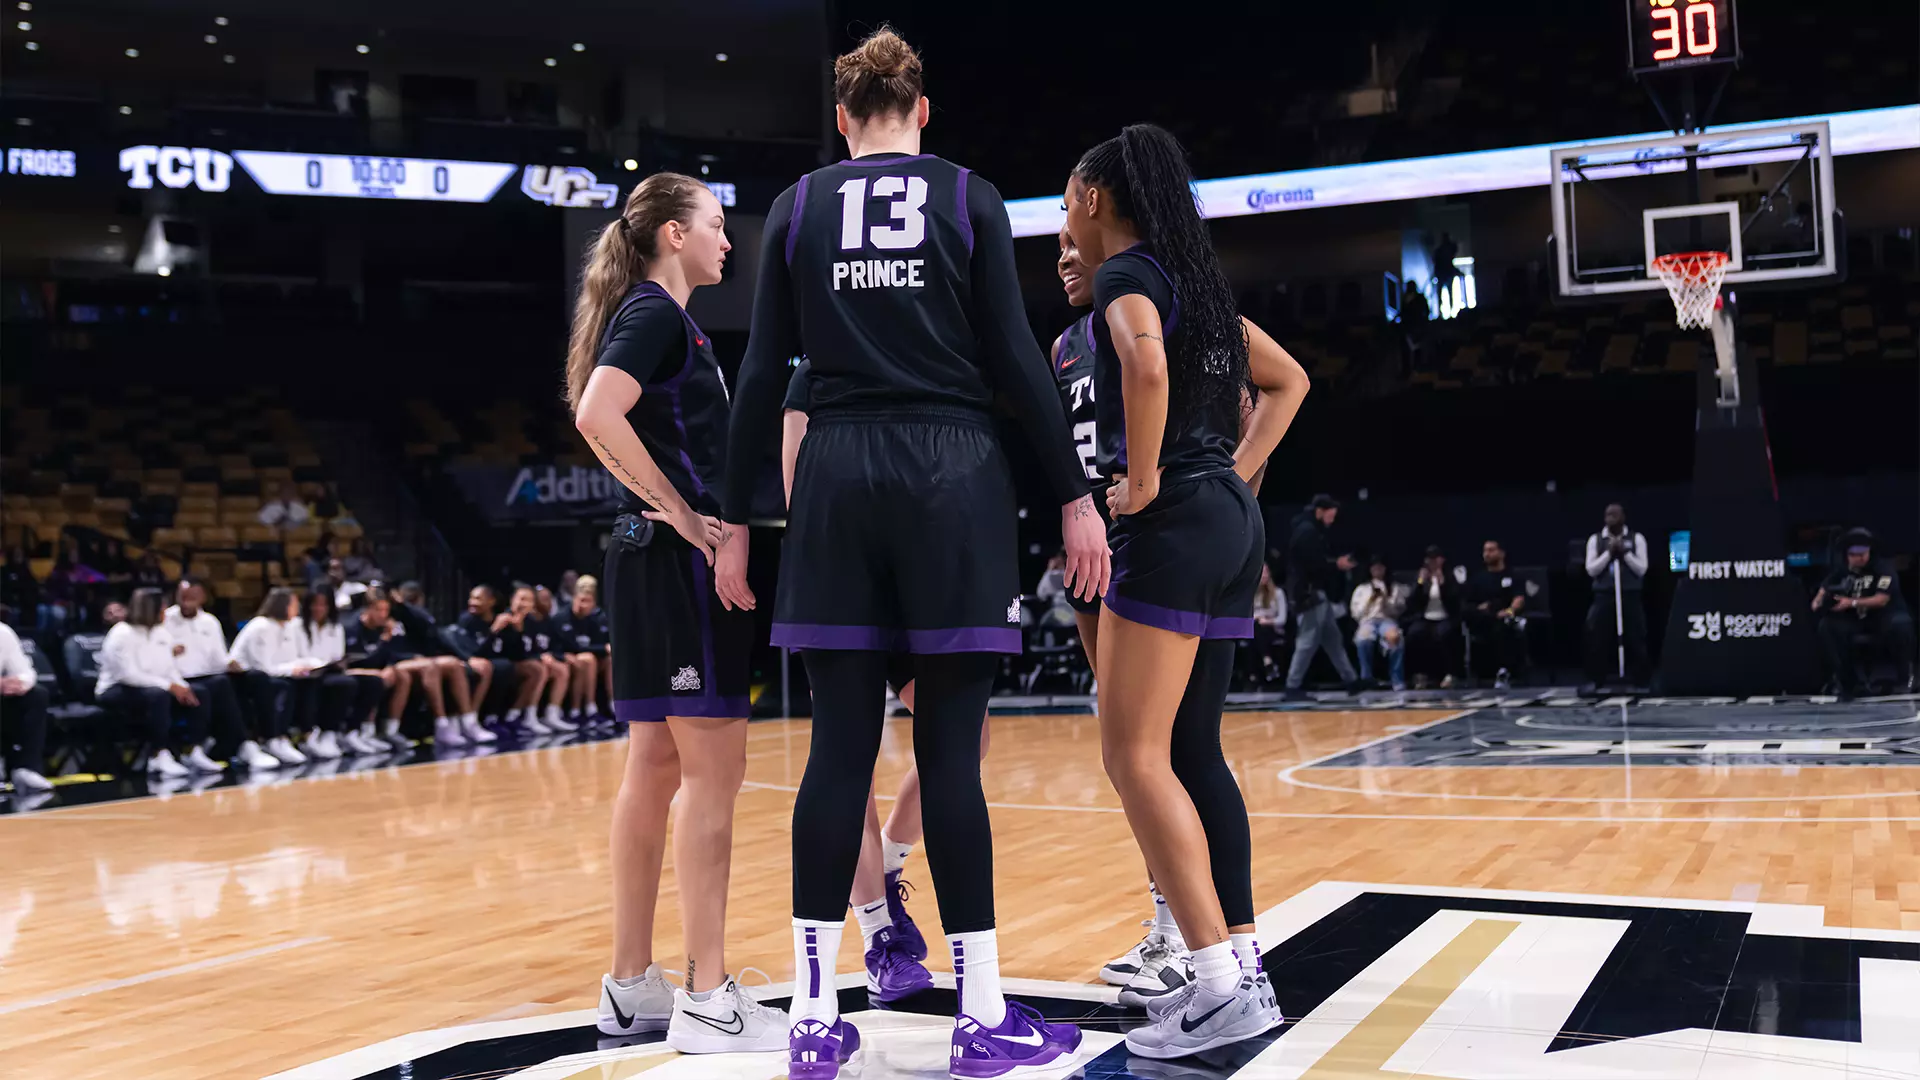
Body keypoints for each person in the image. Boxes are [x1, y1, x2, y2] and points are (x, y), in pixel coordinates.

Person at [715, 29, 1110, 1077]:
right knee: (950, 760)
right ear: (922, 111)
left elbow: (762, 372)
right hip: (951, 473)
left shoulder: (796, 206)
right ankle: (981, 1013)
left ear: (843, 117)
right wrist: (1074, 496)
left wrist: (732, 519)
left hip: (835, 475)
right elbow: (1016, 358)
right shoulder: (970, 196)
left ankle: (812, 1017)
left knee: (836, 756)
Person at [1065, 121, 1310, 1056]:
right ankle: (1243, 965)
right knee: (1193, 751)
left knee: (1133, 755)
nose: (1065, 222)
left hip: (1173, 525)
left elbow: (1144, 363)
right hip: (1230, 523)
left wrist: (1143, 482)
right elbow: (1289, 383)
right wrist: (1233, 477)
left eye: (1066, 203)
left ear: (1095, 200)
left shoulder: (1127, 275)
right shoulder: (1199, 286)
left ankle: (1214, 982)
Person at [566, 168, 782, 1054]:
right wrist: (689, 517)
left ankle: (630, 985)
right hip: (676, 565)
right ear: (673, 235)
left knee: (652, 768)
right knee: (710, 777)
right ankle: (708, 992)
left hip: (641, 561)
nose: (728, 240)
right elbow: (596, 414)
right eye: (717, 224)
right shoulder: (656, 313)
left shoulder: (655, 316)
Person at [95, 587, 221, 778]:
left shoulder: (161, 633)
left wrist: (181, 686)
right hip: (116, 688)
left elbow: (169, 668)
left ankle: (193, 750)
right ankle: (158, 755)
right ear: (149, 609)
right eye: (162, 608)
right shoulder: (121, 633)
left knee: (198, 692)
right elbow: (128, 675)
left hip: (154, 686)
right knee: (159, 696)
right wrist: (169, 686)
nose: (166, 612)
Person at [164, 578, 271, 766]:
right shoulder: (165, 620)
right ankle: (201, 748)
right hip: (177, 678)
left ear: (203, 598)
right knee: (213, 688)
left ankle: (247, 743)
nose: (186, 602)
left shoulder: (210, 622)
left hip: (206, 675)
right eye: (183, 597)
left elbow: (219, 658)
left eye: (192, 597)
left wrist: (232, 664)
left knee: (243, 681)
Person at [1813, 529, 1916, 698]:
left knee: (1900, 625)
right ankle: (1849, 683)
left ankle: (1905, 679)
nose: (1858, 558)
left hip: (1884, 616)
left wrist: (1851, 602)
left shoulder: (1883, 569)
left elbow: (1882, 599)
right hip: (1857, 619)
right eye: (1853, 555)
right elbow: (1824, 589)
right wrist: (1820, 600)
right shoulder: (1843, 571)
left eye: (1862, 554)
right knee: (1827, 626)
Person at [391, 581, 493, 747]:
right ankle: (442, 724)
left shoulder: (416, 616)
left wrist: (466, 658)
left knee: (455, 665)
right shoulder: (394, 615)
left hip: (417, 659)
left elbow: (437, 637)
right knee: (432, 666)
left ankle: (468, 721)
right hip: (399, 661)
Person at [223, 588, 314, 770]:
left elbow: (288, 659)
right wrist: (292, 669)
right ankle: (270, 738)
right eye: (294, 604)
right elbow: (263, 666)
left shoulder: (287, 626)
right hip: (244, 677)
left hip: (268, 675)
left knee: (303, 683)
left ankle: (286, 736)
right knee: (278, 684)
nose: (297, 608)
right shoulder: (261, 627)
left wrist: (305, 665)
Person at [298, 588, 390, 756]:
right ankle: (325, 732)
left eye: (323, 605)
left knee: (374, 683)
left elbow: (338, 654)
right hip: (306, 673)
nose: (319, 609)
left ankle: (352, 731)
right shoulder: (298, 626)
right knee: (345, 684)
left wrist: (338, 662)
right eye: (315, 604)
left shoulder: (335, 627)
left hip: (330, 670)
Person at [1284, 495, 1359, 698]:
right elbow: (1313, 564)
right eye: (1330, 515)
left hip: (1316, 593)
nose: (1332, 520)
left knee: (1333, 640)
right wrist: (1337, 564)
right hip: (1311, 594)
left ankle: (1351, 680)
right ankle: (1292, 686)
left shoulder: (1308, 530)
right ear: (1320, 511)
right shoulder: (1307, 532)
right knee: (1307, 641)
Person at [341, 589, 415, 752]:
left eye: (386, 610)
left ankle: (390, 730)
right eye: (378, 610)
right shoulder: (352, 627)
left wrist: (388, 664)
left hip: (373, 671)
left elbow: (390, 657)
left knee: (402, 676)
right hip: (351, 671)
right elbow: (356, 660)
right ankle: (365, 731)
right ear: (367, 609)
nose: (383, 615)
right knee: (376, 680)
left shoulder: (385, 628)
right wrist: (384, 641)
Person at [1584, 503, 1649, 687]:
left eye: (1614, 515)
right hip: (1604, 594)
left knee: (1636, 636)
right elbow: (1591, 569)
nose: (1610, 518)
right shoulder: (1596, 540)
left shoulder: (1636, 539)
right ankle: (1597, 679)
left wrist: (1625, 553)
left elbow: (1642, 569)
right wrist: (1609, 553)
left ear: (1623, 517)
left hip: (1630, 594)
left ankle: (1641, 679)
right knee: (1598, 636)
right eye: (1608, 515)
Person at [1463, 540, 1527, 690]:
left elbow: (1519, 599)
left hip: (1505, 619)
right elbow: (1468, 603)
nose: (1487, 554)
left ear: (1501, 553)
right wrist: (1480, 609)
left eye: (1491, 550)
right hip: (1483, 620)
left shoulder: (1512, 576)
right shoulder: (1477, 578)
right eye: (1485, 550)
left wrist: (1509, 611)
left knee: (1503, 626)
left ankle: (1504, 671)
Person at [455, 585, 517, 730]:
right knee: (493, 667)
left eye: (477, 599)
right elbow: (475, 651)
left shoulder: (500, 619)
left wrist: (517, 630)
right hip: (471, 661)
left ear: (491, 601)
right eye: (471, 598)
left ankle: (498, 717)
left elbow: (515, 653)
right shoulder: (466, 620)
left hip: (495, 663)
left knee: (507, 666)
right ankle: (471, 719)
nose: (472, 602)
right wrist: (493, 631)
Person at [1, 619, 52, 793]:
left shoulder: (3, 632)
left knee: (37, 695)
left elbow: (26, 671)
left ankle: (25, 768)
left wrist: (20, 683)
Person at [1402, 545, 1461, 688]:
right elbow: (1412, 601)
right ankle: (1420, 674)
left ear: (1442, 560)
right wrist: (1420, 582)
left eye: (1435, 559)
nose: (1432, 562)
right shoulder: (1421, 576)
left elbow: (1455, 601)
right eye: (1429, 559)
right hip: (1425, 617)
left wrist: (1443, 583)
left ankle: (1449, 674)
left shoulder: (1450, 576)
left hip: (1445, 616)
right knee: (1415, 633)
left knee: (1444, 634)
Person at [551, 584, 609, 723]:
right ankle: (580, 710)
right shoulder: (562, 618)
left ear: (593, 605)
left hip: (582, 658)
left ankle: (613, 706)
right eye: (580, 600)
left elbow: (595, 643)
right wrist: (603, 648)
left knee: (608, 660)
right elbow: (574, 646)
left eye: (587, 601)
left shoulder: (593, 620)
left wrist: (603, 649)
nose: (582, 605)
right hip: (562, 657)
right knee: (587, 659)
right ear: (574, 599)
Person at [526, 586, 580, 734]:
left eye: (550, 599)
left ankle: (552, 714)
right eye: (544, 599)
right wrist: (540, 657)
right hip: (526, 661)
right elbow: (523, 648)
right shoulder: (526, 621)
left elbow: (555, 647)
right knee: (542, 669)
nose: (549, 602)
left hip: (542, 661)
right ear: (534, 601)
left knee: (562, 669)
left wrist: (561, 656)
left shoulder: (549, 622)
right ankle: (529, 716)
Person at [1350, 557, 1407, 691]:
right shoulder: (1362, 589)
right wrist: (1371, 600)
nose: (1377, 570)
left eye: (1380, 567)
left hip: (1387, 620)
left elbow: (1398, 611)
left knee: (1395, 639)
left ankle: (1397, 679)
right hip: (1368, 621)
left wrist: (1386, 601)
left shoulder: (1394, 588)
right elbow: (1356, 613)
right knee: (1363, 640)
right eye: (1374, 567)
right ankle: (1366, 678)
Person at [1245, 563, 1288, 686]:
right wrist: (1258, 618)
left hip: (1274, 629)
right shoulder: (1251, 595)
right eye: (1261, 573)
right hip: (1256, 629)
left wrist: (1267, 621)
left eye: (1266, 572)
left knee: (1257, 631)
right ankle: (1268, 662)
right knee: (1256, 629)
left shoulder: (1278, 593)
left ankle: (1253, 675)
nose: (1264, 575)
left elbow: (1282, 619)